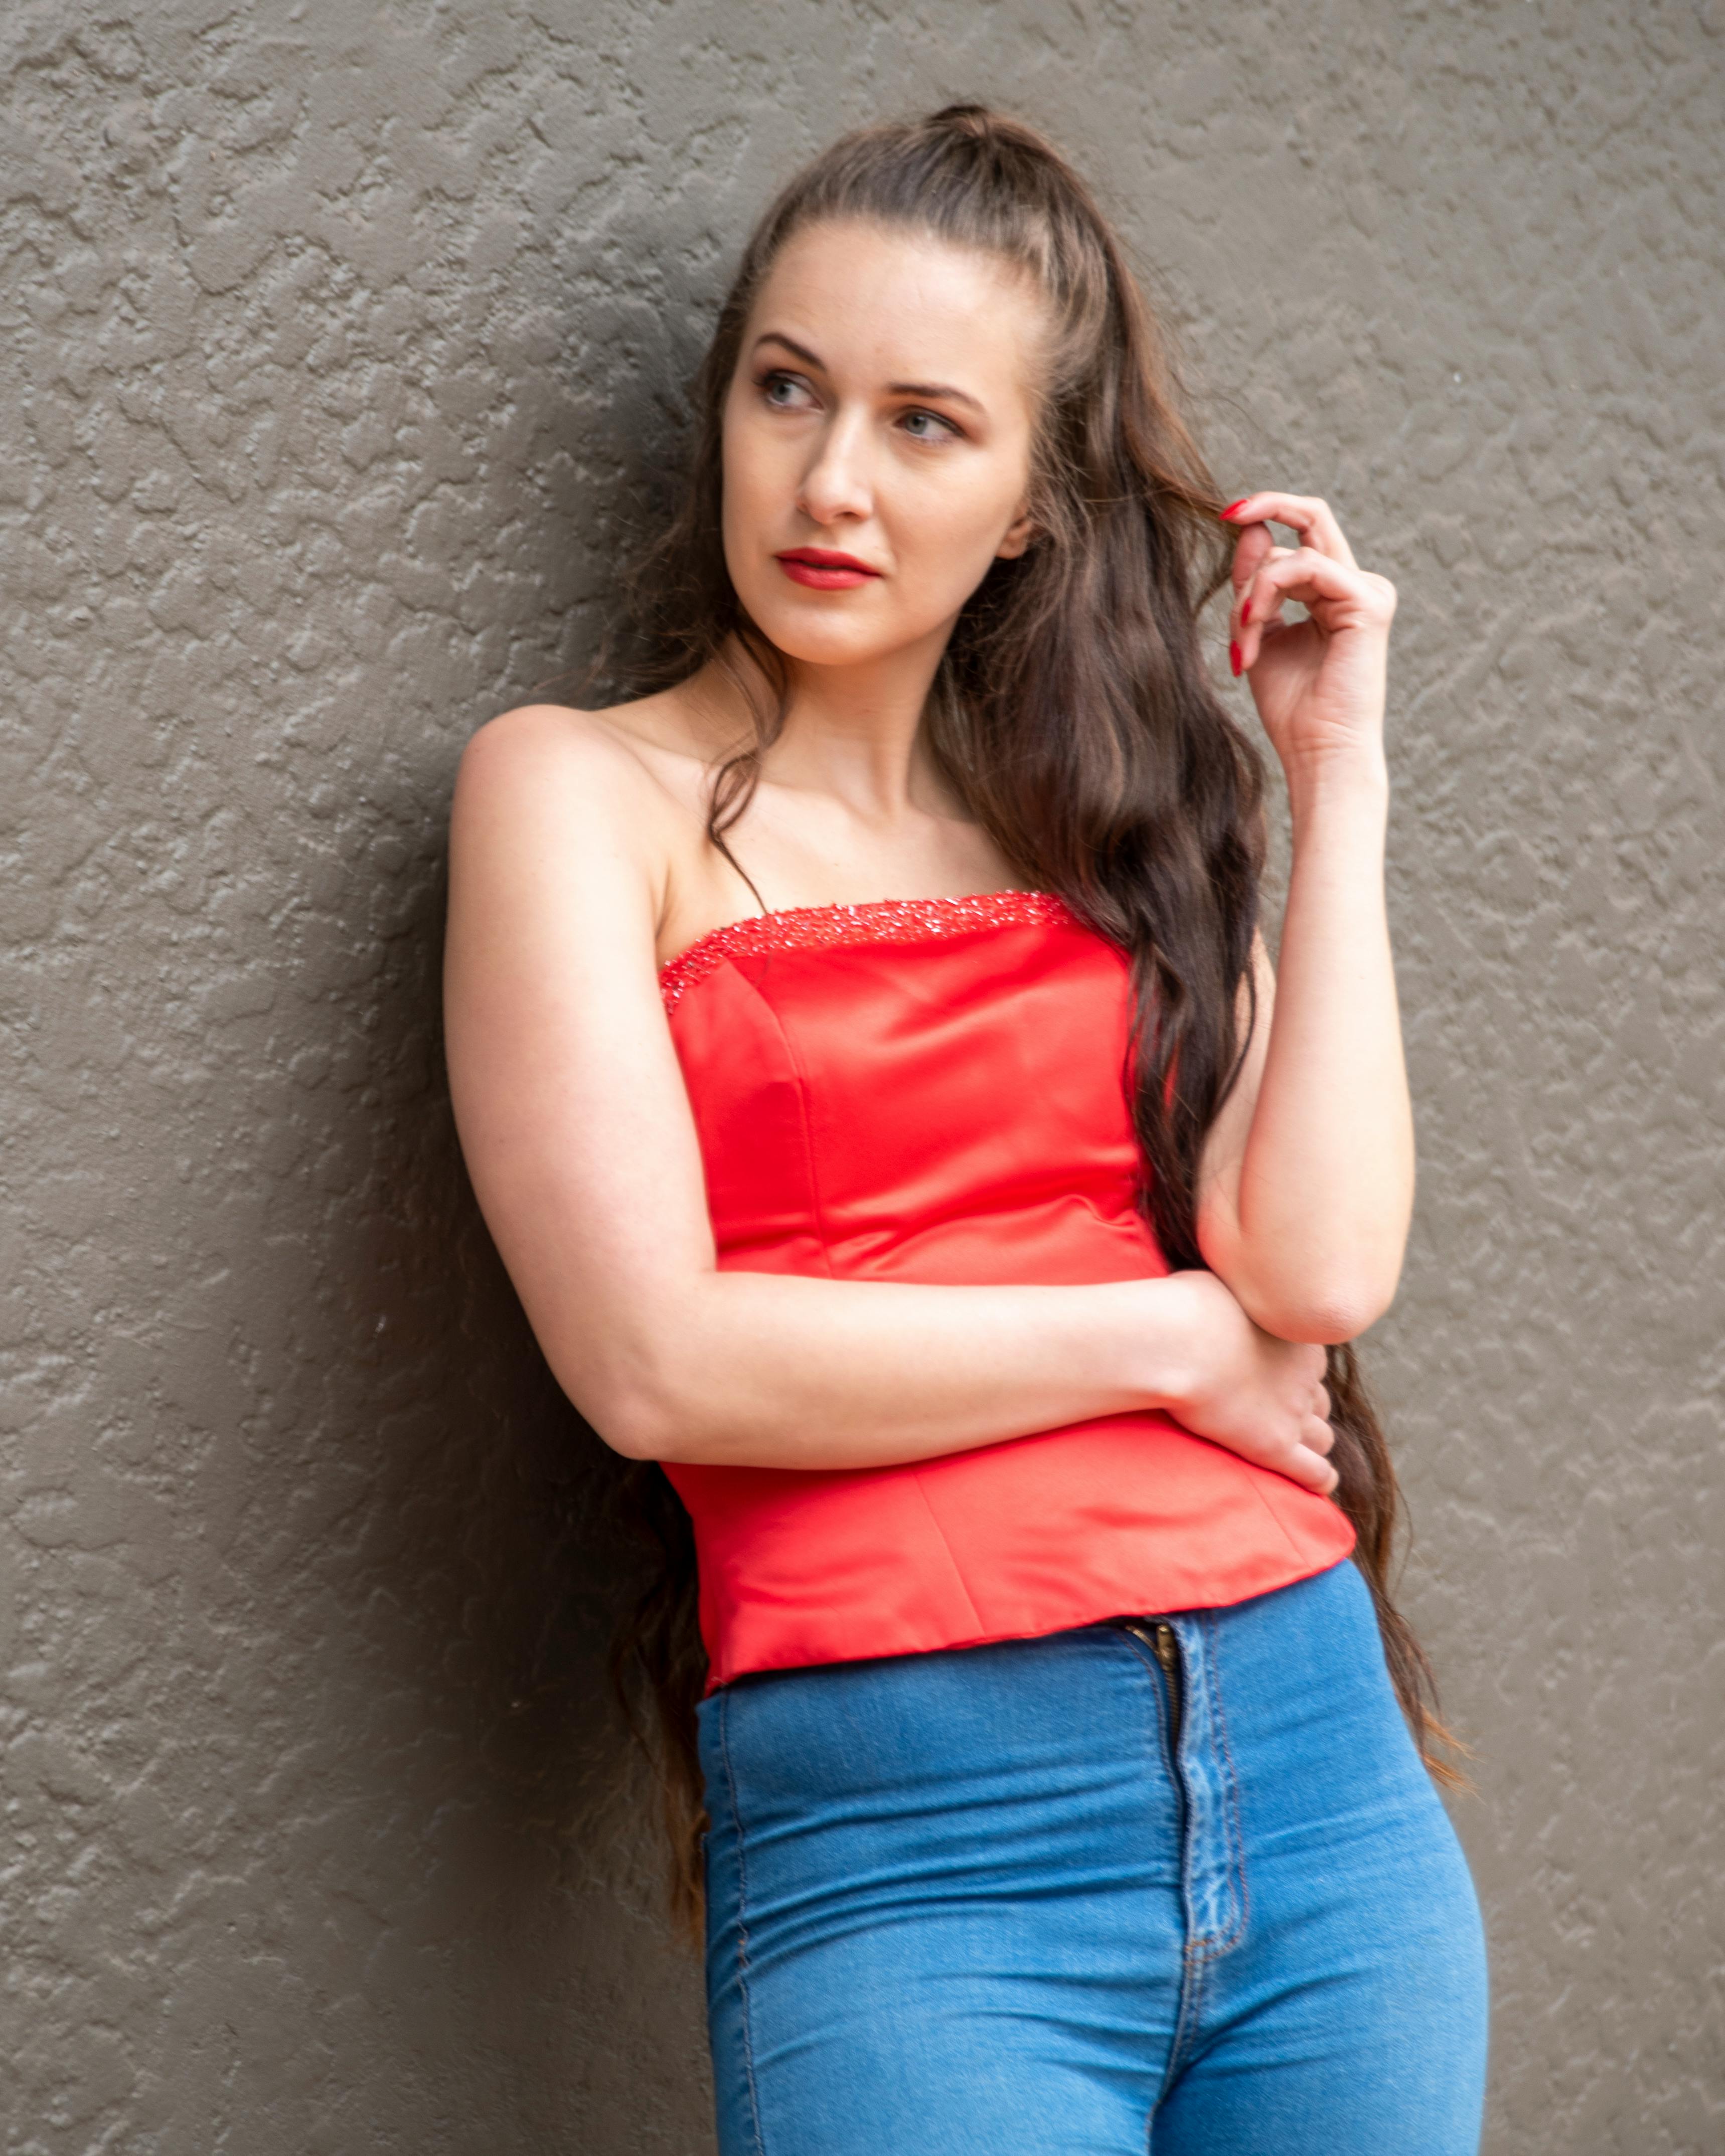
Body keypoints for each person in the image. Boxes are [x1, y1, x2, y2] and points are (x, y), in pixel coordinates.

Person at [444, 103, 1488, 2156]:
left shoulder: (1103, 833)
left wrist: (1329, 779)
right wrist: (1165, 1341)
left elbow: (1321, 1268)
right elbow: (658, 1361)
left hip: (1316, 1785)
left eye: (925, 423)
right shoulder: (576, 794)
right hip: (914, 1849)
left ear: (1025, 499)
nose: (829, 480)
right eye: (785, 390)